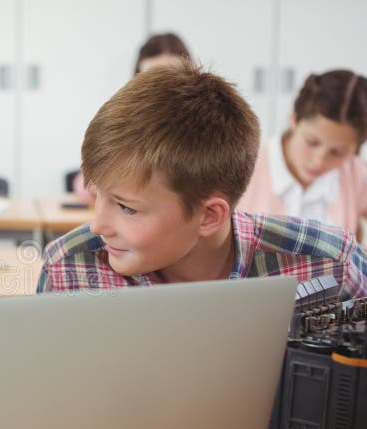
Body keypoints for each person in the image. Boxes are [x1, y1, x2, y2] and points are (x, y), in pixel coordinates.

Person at [38, 61, 367, 300]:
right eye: (100, 196)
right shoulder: (68, 268)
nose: (97, 226)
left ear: (209, 216)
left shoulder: (334, 266)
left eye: (126, 208)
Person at [238, 70, 367, 236]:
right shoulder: (245, 166)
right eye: (312, 142)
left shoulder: (355, 173)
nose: (319, 161)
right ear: (294, 119)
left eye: (338, 152)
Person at [71, 32, 192, 204]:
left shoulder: (207, 127)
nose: (161, 89)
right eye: (150, 79)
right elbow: (86, 183)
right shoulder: (128, 122)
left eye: (171, 78)